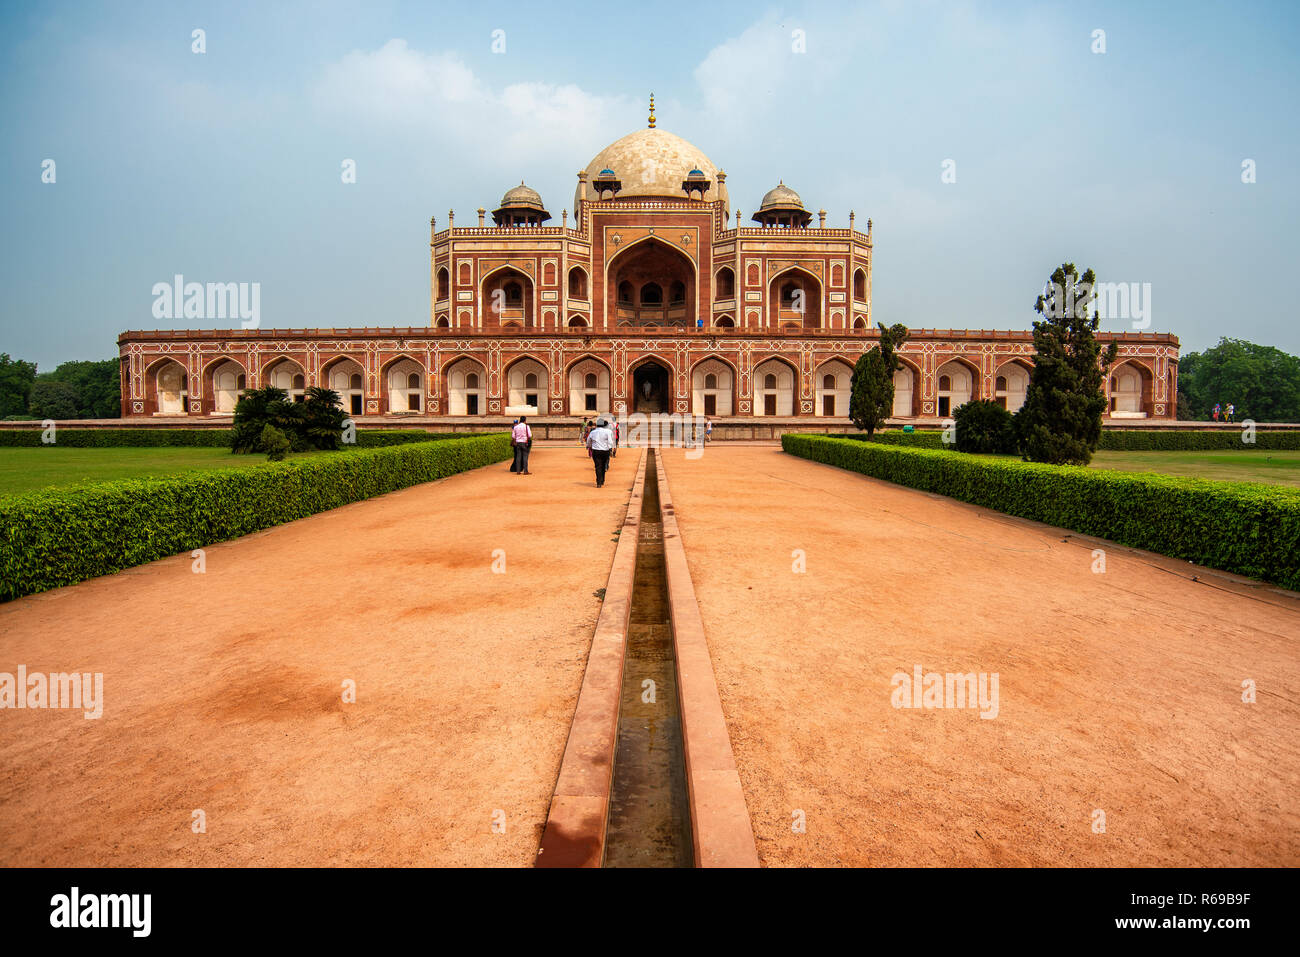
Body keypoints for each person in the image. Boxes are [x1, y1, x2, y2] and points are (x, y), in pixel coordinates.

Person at [586, 417, 614, 487]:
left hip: (596, 451)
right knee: (603, 465)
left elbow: (588, 441)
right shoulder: (608, 431)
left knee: (598, 466)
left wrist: (588, 446)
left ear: (597, 425)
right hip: (605, 451)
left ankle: (599, 482)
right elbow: (610, 441)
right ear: (604, 425)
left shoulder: (593, 432)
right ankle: (602, 480)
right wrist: (610, 449)